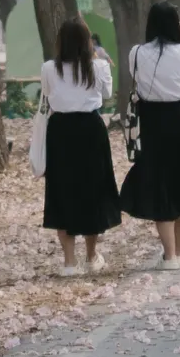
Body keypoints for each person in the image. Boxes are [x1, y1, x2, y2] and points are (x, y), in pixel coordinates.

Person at [119, 2, 180, 270]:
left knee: (160, 184)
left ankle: (170, 255)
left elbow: (135, 77)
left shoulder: (136, 53)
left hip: (151, 122)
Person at [40, 19, 121, 276]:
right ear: (88, 42)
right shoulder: (97, 67)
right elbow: (107, 93)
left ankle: (68, 261)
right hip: (90, 130)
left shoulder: (49, 68)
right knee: (92, 189)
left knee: (62, 190)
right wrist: (96, 58)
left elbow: (47, 94)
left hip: (60, 131)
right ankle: (91, 254)